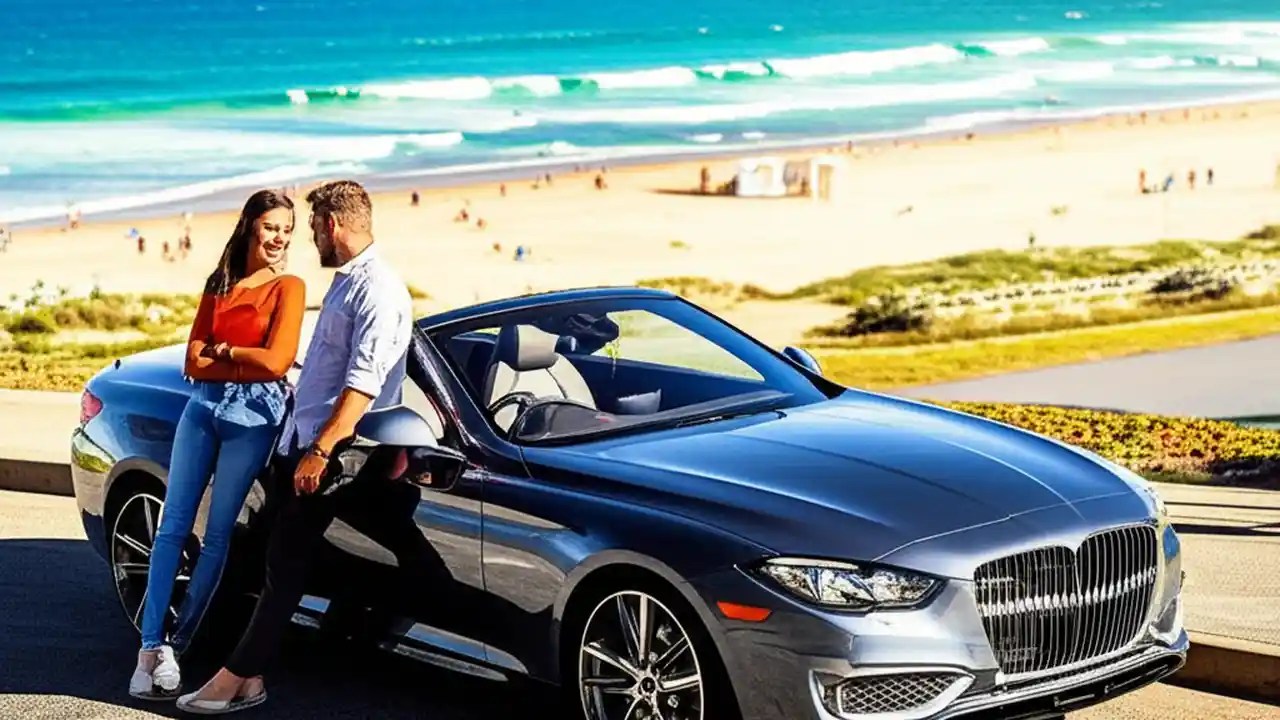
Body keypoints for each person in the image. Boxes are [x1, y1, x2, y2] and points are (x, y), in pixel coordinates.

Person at [176, 180, 413, 714]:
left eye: (311, 228)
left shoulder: (378, 290)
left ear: (332, 224)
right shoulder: (348, 283)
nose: (309, 239)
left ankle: (234, 680)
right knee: (273, 562)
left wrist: (321, 452)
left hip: (331, 455)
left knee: (284, 569)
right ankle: (246, 674)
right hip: (299, 444)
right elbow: (329, 369)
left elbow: (363, 385)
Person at [129, 189, 305, 700]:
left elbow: (278, 362)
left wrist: (224, 351)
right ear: (251, 226)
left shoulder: (289, 287)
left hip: (254, 419)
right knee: (172, 527)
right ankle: (150, 648)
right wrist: (241, 356)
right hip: (202, 409)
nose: (279, 238)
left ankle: (179, 645)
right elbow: (192, 361)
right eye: (271, 227)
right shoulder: (219, 282)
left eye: (287, 230)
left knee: (218, 535)